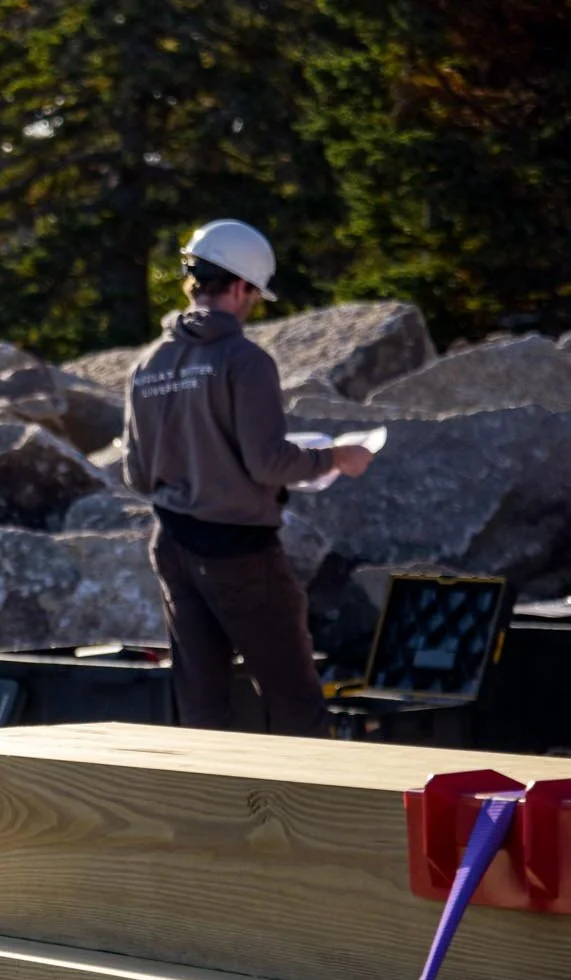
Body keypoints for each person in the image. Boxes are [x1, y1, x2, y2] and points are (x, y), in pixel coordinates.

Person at [122, 220, 376, 736]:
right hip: (238, 550)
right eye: (256, 293)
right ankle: (314, 807)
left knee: (201, 701)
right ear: (240, 286)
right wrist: (334, 458)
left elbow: (137, 473)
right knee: (293, 697)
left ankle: (206, 810)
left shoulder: (147, 364)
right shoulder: (245, 361)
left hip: (172, 545)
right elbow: (268, 464)